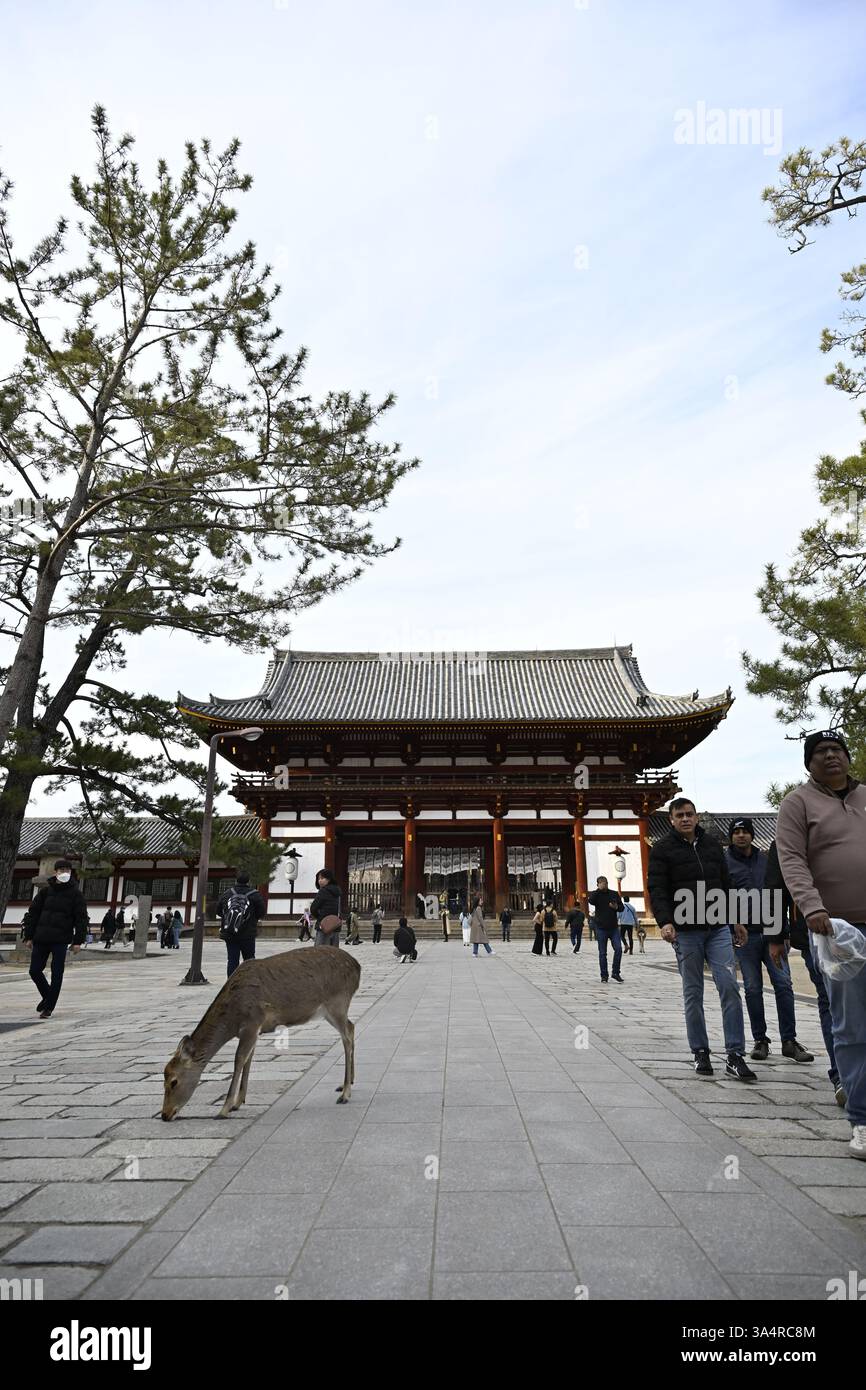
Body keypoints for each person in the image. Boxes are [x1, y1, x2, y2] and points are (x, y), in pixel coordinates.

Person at [776, 730, 866, 1161]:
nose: (831, 756)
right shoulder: (798, 803)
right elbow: (791, 857)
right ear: (808, 763)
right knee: (850, 1025)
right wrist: (810, 906)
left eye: (837, 750)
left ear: (848, 758)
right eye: (820, 752)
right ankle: (862, 1119)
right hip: (837, 929)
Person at [648, 797, 755, 1081]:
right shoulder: (662, 849)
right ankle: (701, 1051)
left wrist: (736, 919)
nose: (685, 819)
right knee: (693, 992)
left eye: (690, 814)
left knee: (730, 986)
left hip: (718, 927)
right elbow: (657, 888)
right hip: (686, 930)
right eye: (680, 815)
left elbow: (726, 883)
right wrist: (665, 921)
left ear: (696, 817)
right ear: (670, 819)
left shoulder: (711, 846)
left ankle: (735, 1054)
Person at [725, 818, 813, 1064]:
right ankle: (760, 1040)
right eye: (737, 832)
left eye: (745, 832)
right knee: (752, 988)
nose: (741, 836)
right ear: (731, 836)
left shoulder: (767, 861)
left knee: (784, 984)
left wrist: (784, 931)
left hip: (772, 932)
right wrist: (733, 922)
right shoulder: (725, 864)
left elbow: (780, 895)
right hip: (745, 936)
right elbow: (722, 897)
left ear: (752, 835)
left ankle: (789, 1040)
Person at [765, 840, 844, 1107]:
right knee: (830, 999)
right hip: (813, 928)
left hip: (857, 919)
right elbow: (775, 888)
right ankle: (842, 1074)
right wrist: (775, 936)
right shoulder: (790, 833)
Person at [22, 858, 88, 1018]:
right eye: (61, 870)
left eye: (67, 870)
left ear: (70, 873)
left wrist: (78, 940)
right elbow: (33, 914)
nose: (64, 873)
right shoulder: (45, 892)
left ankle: (48, 1007)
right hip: (41, 937)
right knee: (34, 971)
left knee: (57, 973)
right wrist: (29, 936)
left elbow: (81, 919)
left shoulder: (76, 894)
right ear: (55, 872)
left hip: (60, 939)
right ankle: (47, 996)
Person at [217, 872, 266, 977]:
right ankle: (249, 983)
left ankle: (231, 984)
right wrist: (252, 919)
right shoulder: (255, 894)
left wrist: (229, 919)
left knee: (232, 960)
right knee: (249, 959)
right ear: (249, 881)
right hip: (248, 933)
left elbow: (218, 911)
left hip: (230, 932)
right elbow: (262, 912)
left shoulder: (227, 893)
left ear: (236, 880)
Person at [587, 876, 625, 984]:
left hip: (613, 927)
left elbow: (621, 908)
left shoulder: (613, 893)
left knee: (618, 949)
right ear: (598, 884)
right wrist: (598, 890)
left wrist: (616, 907)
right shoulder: (596, 894)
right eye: (602, 883)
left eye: (606, 883)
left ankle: (615, 972)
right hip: (601, 927)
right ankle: (604, 975)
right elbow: (591, 901)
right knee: (602, 953)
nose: (604, 885)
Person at [310, 868, 342, 947]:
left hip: (324, 927)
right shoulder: (337, 891)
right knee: (334, 952)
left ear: (329, 879)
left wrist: (320, 917)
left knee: (320, 952)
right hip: (335, 926)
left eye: (322, 878)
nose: (320, 881)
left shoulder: (323, 891)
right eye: (319, 879)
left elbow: (313, 908)